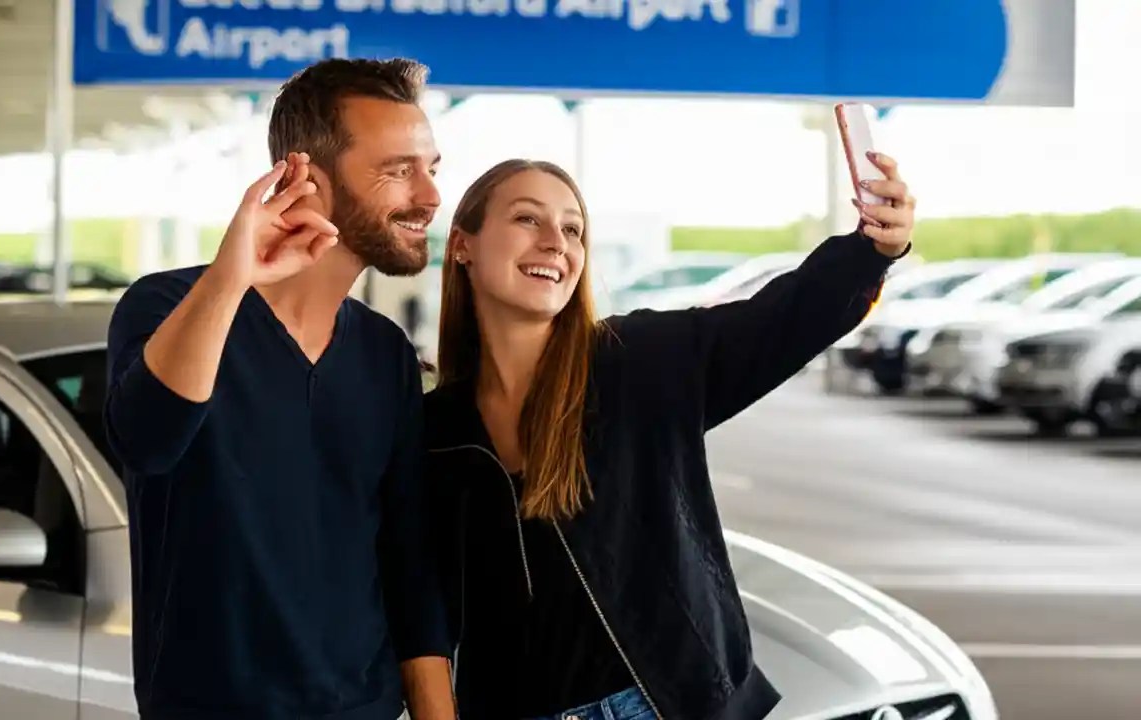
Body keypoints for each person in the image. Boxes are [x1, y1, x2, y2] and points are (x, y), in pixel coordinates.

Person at [424, 157, 915, 720]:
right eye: (527, 220)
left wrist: (870, 250)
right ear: (462, 244)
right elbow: (424, 606)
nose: (554, 243)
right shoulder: (436, 431)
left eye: (572, 229)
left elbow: (782, 319)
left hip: (666, 707)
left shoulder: (641, 361)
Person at [103, 58, 454, 720]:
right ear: (308, 182)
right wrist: (233, 275)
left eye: (431, 167)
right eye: (399, 169)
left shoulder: (386, 356)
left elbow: (410, 570)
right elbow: (147, 441)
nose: (431, 196)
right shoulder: (165, 307)